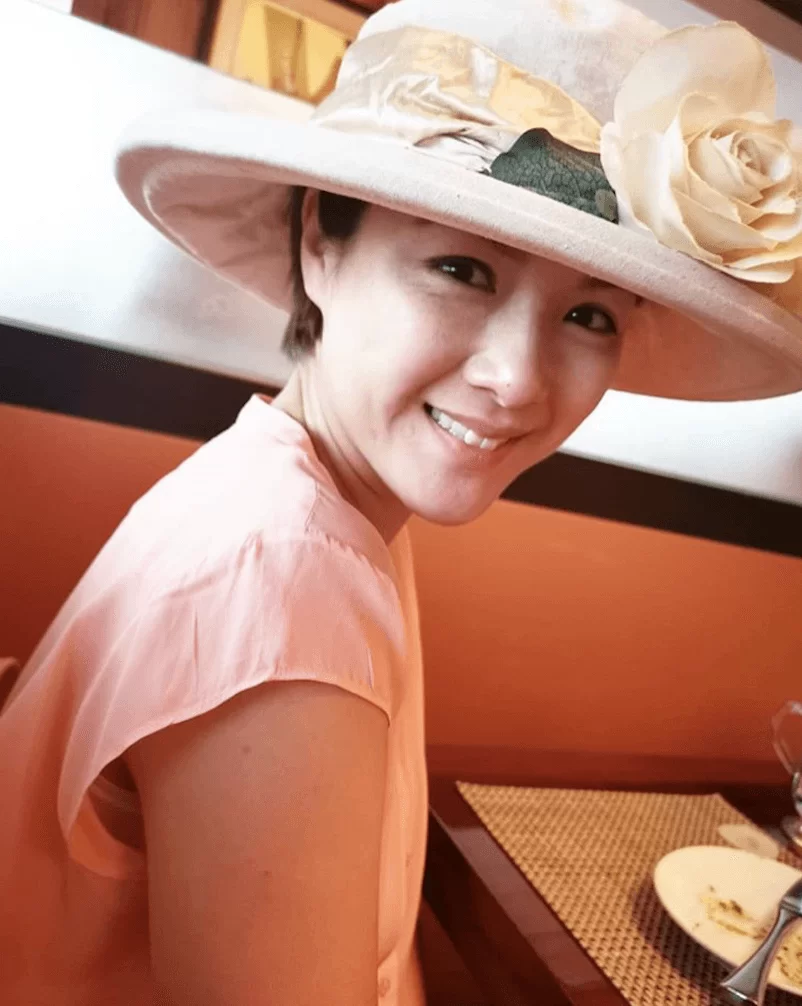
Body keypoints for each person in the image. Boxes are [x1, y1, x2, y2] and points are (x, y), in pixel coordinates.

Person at [1, 0, 801, 1003]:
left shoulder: (300, 496)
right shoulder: (286, 585)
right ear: (320, 244)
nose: (517, 377)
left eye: (589, 314)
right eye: (461, 269)